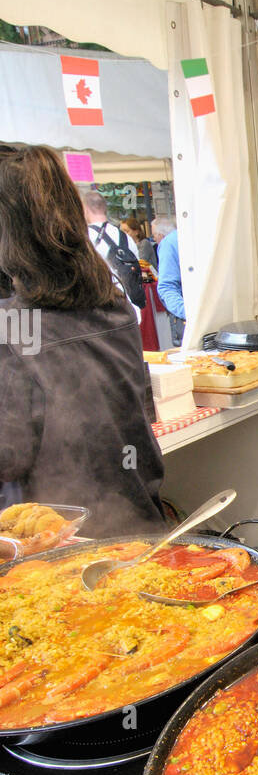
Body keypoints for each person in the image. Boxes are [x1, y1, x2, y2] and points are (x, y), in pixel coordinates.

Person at [0, 144, 165, 536]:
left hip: (56, 552)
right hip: (137, 520)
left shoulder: (12, 327)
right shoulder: (112, 304)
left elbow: (9, 458)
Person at [81, 189, 143, 324]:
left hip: (103, 314)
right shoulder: (126, 237)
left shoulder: (85, 238)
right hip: (132, 311)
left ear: (85, 209)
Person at [152, 216, 185, 346]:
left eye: (154, 235)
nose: (154, 238)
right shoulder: (172, 242)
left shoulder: (169, 243)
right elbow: (167, 287)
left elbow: (166, 287)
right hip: (190, 318)